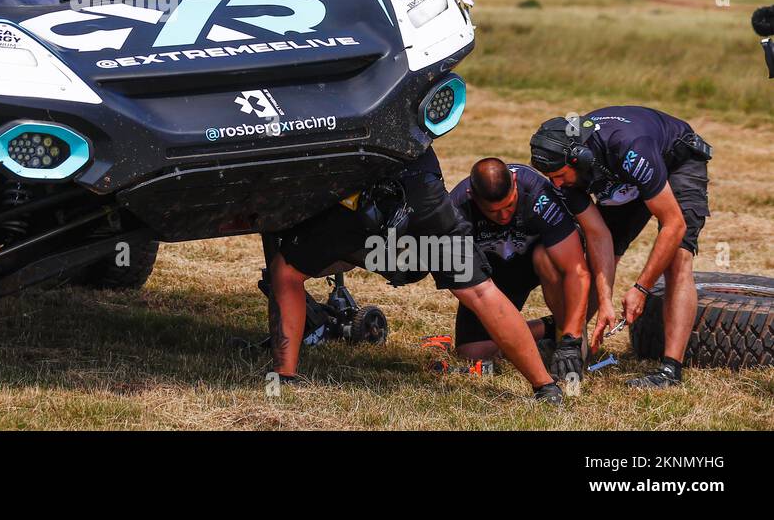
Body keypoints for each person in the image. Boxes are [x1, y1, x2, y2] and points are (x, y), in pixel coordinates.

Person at [264, 148, 565, 403]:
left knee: (285, 271)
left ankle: (286, 376)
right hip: (422, 187)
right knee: (480, 290)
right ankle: (545, 386)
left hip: (359, 194)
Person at [529, 107, 713, 389]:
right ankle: (572, 345)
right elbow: (599, 236)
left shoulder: (628, 146)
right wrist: (605, 301)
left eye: (560, 175)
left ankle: (669, 371)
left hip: (675, 160)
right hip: (620, 173)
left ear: (580, 159)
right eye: (550, 177)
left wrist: (641, 289)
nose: (556, 183)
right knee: (595, 256)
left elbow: (673, 224)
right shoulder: (567, 167)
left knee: (677, 258)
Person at [446, 158, 590, 383]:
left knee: (548, 258)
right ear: (473, 197)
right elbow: (462, 278)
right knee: (472, 354)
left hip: (536, 263)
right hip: (492, 277)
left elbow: (576, 270)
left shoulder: (539, 194)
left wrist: (571, 341)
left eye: (509, 205)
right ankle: (548, 329)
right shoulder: (456, 209)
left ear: (514, 183)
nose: (504, 216)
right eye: (493, 212)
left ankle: (566, 332)